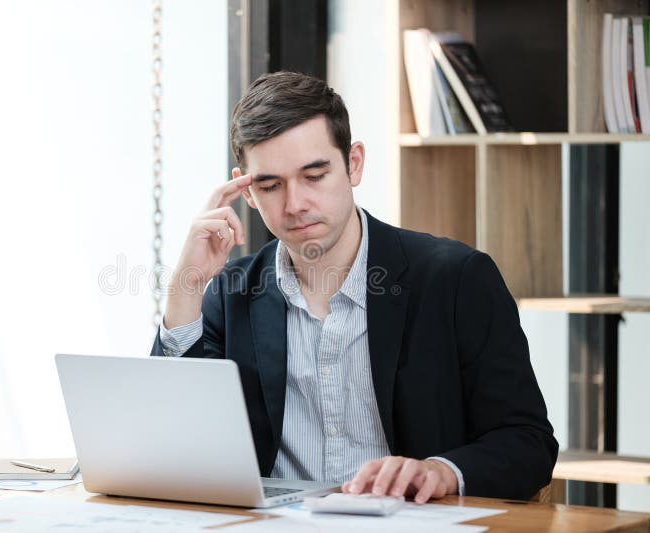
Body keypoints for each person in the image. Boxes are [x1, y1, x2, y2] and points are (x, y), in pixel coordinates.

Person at [151, 71, 557, 503]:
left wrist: (442, 471)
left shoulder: (456, 279)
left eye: (315, 175)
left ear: (354, 163)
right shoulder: (230, 293)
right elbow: (177, 445)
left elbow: (528, 443)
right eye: (270, 185)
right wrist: (185, 289)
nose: (295, 205)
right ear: (247, 193)